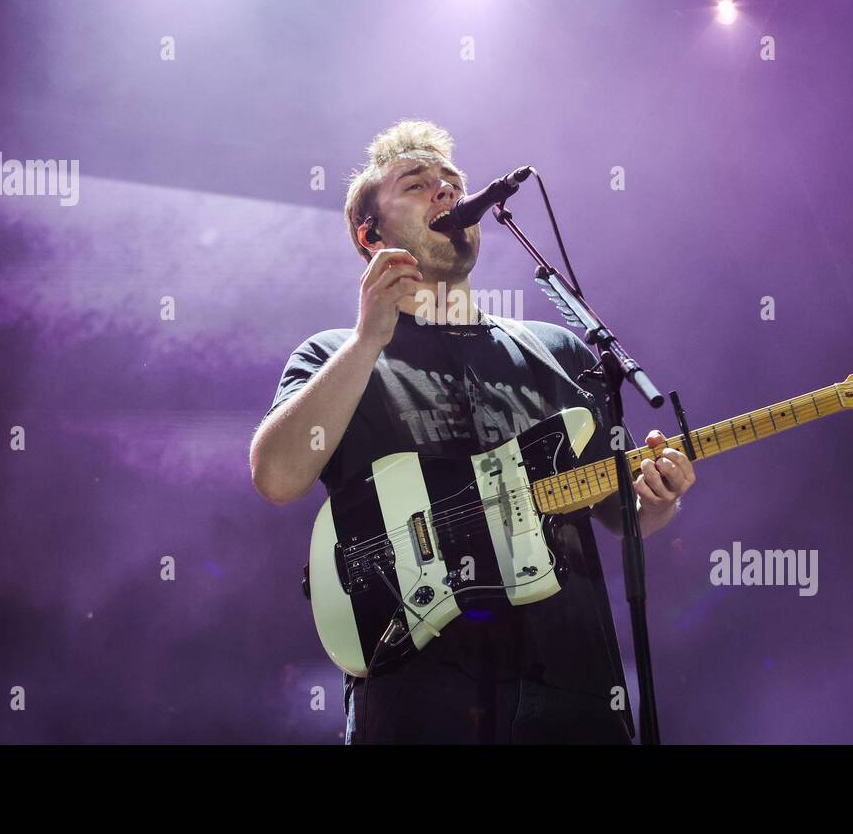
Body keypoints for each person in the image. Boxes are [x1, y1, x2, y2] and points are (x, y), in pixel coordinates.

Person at [250, 119, 696, 743]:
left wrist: (658, 499)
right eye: (417, 184)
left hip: (574, 686)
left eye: (452, 183)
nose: (445, 193)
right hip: (421, 690)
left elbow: (618, 517)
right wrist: (366, 341)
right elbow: (276, 477)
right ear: (368, 235)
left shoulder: (555, 351)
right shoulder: (334, 356)